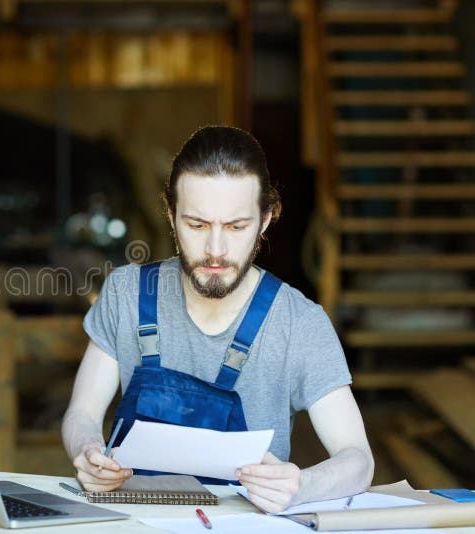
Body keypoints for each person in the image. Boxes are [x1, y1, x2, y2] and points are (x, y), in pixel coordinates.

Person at [61, 125, 374, 513]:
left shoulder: (299, 322)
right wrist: (87, 450)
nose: (215, 250)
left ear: (266, 218)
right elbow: (83, 413)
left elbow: (358, 459)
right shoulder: (126, 294)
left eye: (236, 227)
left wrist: (303, 484)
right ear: (170, 213)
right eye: (196, 225)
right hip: (134, 520)